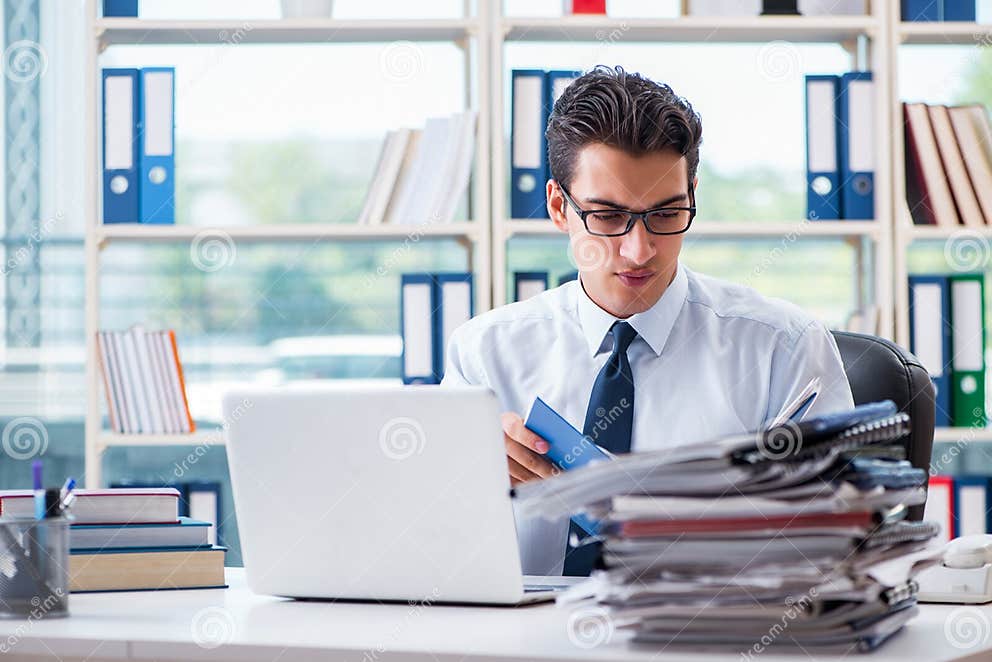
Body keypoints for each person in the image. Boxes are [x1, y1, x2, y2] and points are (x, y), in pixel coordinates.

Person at [441, 65, 854, 576]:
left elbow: (837, 546)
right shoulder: (483, 354)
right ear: (558, 207)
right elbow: (429, 541)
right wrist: (466, 475)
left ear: (692, 197)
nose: (640, 251)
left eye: (665, 214)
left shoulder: (783, 349)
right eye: (608, 217)